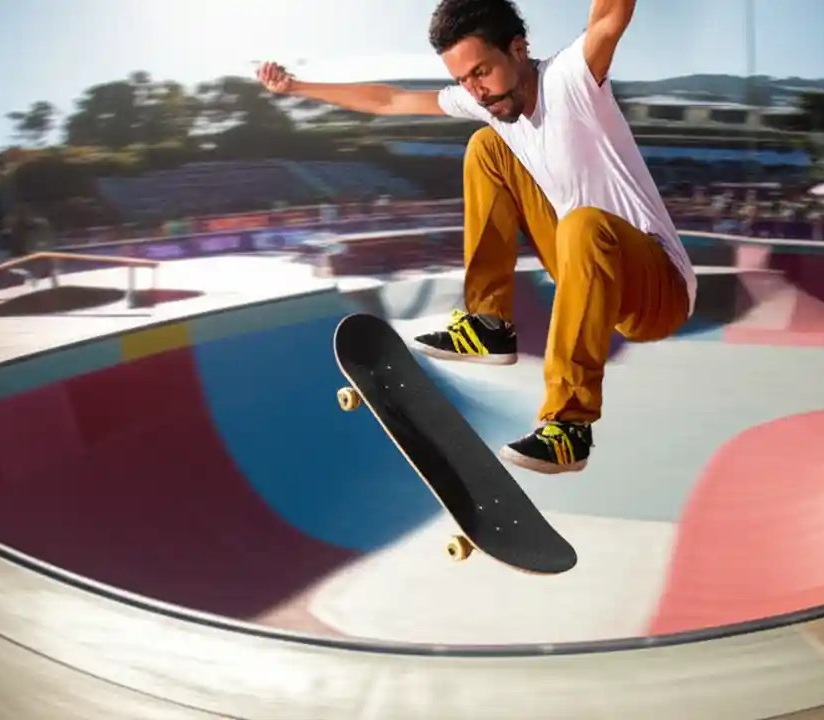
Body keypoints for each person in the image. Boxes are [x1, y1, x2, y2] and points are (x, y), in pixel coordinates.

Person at [257, 0, 697, 474]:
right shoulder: (483, 100)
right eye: (464, 79)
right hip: (584, 265)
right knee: (487, 145)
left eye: (482, 72)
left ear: (518, 47)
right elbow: (388, 101)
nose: (477, 92)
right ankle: (489, 324)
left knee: (583, 224)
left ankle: (569, 427)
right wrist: (297, 87)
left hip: (658, 286)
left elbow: (611, 16)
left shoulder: (572, 78)